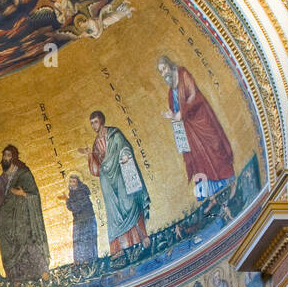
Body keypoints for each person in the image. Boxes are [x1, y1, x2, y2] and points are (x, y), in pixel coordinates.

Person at [157, 57, 235, 198]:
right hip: (189, 132)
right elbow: (176, 115)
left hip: (201, 120)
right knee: (200, 161)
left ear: (170, 65)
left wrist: (182, 112)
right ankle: (212, 196)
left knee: (215, 148)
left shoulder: (183, 74)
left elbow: (194, 95)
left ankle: (231, 183)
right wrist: (173, 116)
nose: (164, 73)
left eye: (164, 68)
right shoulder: (170, 92)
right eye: (161, 72)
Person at [80, 111, 150, 256]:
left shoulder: (114, 134)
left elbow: (124, 147)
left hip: (120, 172)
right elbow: (96, 170)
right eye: (91, 123)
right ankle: (120, 248)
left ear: (102, 121)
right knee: (114, 213)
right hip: (106, 179)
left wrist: (125, 155)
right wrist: (89, 154)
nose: (93, 125)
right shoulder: (95, 143)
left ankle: (143, 236)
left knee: (130, 203)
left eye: (95, 122)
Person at [0, 145, 50, 282]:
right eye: (4, 156)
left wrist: (23, 193)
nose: (5, 158)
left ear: (14, 157)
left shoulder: (24, 174)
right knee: (11, 249)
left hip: (23, 218)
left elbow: (34, 194)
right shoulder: (2, 178)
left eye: (8, 155)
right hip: (7, 220)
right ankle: (16, 280)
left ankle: (43, 274)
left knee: (28, 242)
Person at [63, 173, 98, 264]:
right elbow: (71, 207)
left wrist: (67, 200)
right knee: (78, 240)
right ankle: (79, 261)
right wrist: (68, 201)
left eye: (74, 181)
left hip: (87, 218)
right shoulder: (72, 193)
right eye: (70, 181)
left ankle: (87, 260)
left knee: (86, 239)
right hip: (78, 220)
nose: (72, 183)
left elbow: (77, 206)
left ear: (78, 182)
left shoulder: (82, 191)